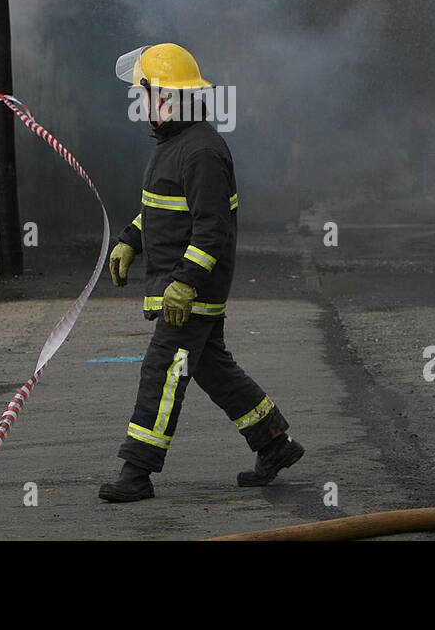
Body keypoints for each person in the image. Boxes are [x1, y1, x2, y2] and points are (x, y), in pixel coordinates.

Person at [98, 42, 304, 503]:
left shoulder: (202, 152)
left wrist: (185, 281)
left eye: (145, 96)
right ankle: (275, 444)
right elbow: (165, 210)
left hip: (191, 290)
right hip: (182, 286)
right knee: (212, 367)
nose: (142, 106)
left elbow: (212, 228)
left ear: (166, 98)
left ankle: (136, 473)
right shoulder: (176, 147)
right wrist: (131, 239)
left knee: (163, 371)